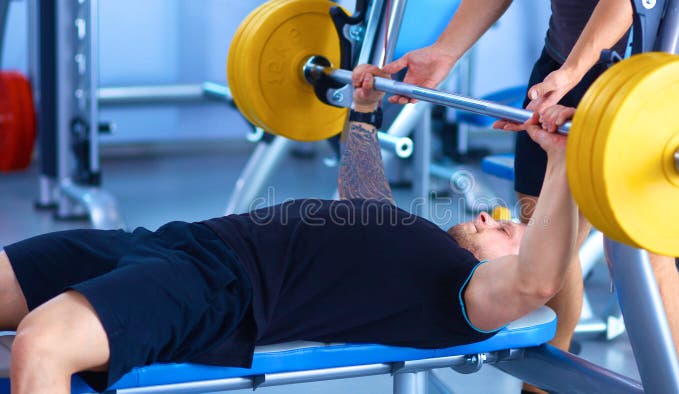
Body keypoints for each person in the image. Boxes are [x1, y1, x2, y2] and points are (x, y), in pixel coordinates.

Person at [0, 65, 578, 394]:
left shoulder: (466, 298)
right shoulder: (417, 249)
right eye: (495, 213)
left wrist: (560, 160)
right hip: (161, 242)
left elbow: (537, 280)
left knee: (42, 345)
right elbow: (360, 199)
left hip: (218, 287)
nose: (487, 214)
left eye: (508, 228)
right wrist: (364, 111)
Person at [382, 0, 679, 390]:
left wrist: (572, 72)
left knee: (641, 258)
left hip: (636, 76)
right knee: (541, 239)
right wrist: (445, 52)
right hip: (559, 63)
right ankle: (541, 389)